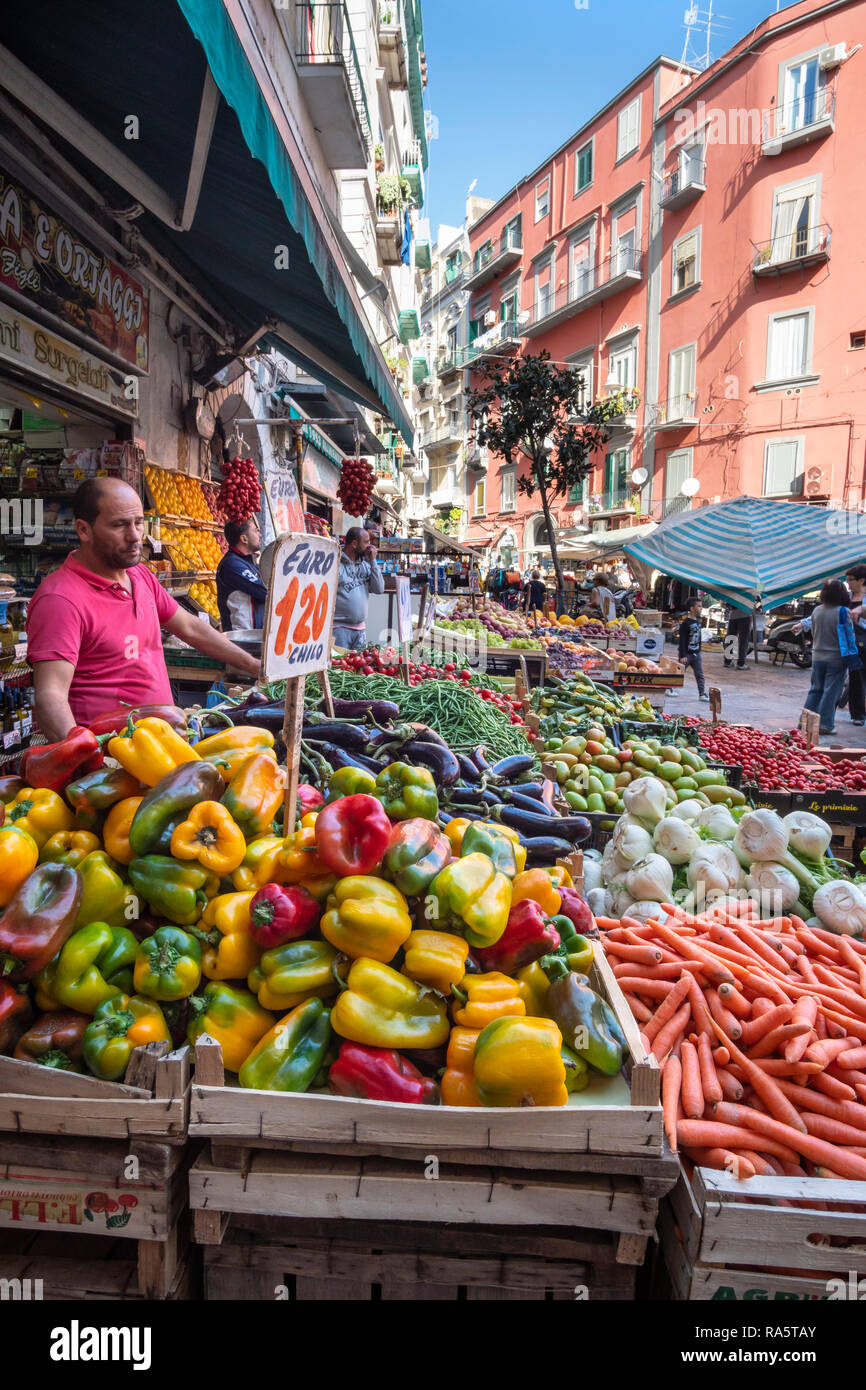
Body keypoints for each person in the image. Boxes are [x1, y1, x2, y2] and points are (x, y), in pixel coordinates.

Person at [26, 477, 260, 742]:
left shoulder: (139, 575)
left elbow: (190, 627)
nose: (135, 535)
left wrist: (254, 666)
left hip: (162, 747)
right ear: (84, 530)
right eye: (119, 525)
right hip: (112, 762)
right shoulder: (61, 600)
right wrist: (86, 766)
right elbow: (50, 697)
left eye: (138, 522)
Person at [799, 578, 859, 736]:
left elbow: (813, 632)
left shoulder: (817, 610)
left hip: (817, 656)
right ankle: (825, 724)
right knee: (831, 692)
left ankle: (804, 721)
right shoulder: (842, 611)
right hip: (836, 659)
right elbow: (848, 635)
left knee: (815, 690)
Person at [332, 526, 384, 650]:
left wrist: (373, 561)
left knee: (358, 666)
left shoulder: (365, 565)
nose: (370, 547)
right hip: (339, 629)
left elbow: (379, 589)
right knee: (341, 666)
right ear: (354, 544)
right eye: (366, 542)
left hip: (360, 629)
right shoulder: (336, 564)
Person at [216, 516, 267, 632]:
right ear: (244, 539)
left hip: (254, 637)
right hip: (241, 641)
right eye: (256, 530)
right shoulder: (232, 564)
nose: (260, 535)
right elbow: (265, 591)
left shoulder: (249, 562)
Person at [845, 565, 866, 725]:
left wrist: (862, 608)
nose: (848, 583)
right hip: (850, 643)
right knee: (855, 677)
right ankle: (857, 714)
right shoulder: (846, 598)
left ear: (862, 580)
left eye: (851, 580)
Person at [678, 598, 709, 700]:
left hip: (696, 654)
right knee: (679, 673)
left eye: (701, 606)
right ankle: (670, 689)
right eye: (699, 606)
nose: (701, 608)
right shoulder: (685, 623)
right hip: (686, 654)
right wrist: (682, 655)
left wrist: (699, 649)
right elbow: (682, 640)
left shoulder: (698, 621)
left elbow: (698, 637)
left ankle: (702, 693)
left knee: (700, 674)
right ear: (692, 608)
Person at [723, 603, 751, 669]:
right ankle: (741, 663)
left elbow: (727, 604)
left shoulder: (734, 592)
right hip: (745, 615)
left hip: (733, 615)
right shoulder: (751, 592)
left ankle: (727, 661)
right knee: (743, 640)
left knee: (731, 638)